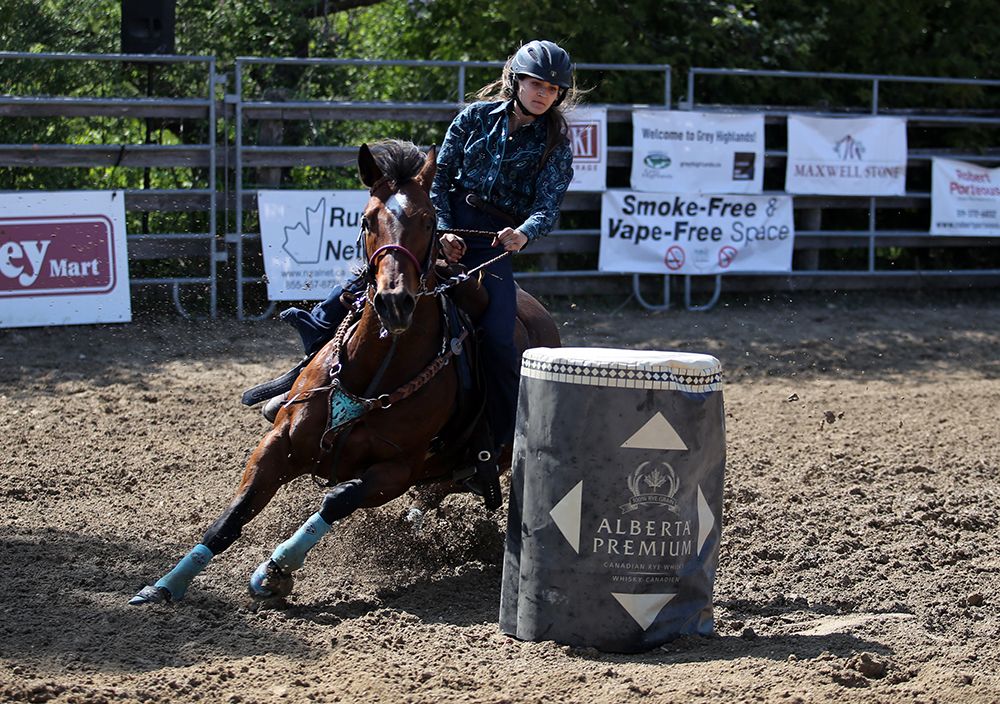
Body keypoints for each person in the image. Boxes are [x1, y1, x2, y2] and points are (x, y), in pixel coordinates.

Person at [275, 40, 577, 456]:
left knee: (499, 337)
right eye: (536, 84)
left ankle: (501, 436)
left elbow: (547, 205)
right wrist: (447, 229)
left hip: (493, 243)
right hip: (443, 223)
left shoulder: (555, 144)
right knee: (380, 273)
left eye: (552, 89)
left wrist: (523, 232)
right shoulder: (473, 118)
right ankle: (308, 360)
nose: (544, 93)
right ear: (516, 81)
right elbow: (439, 175)